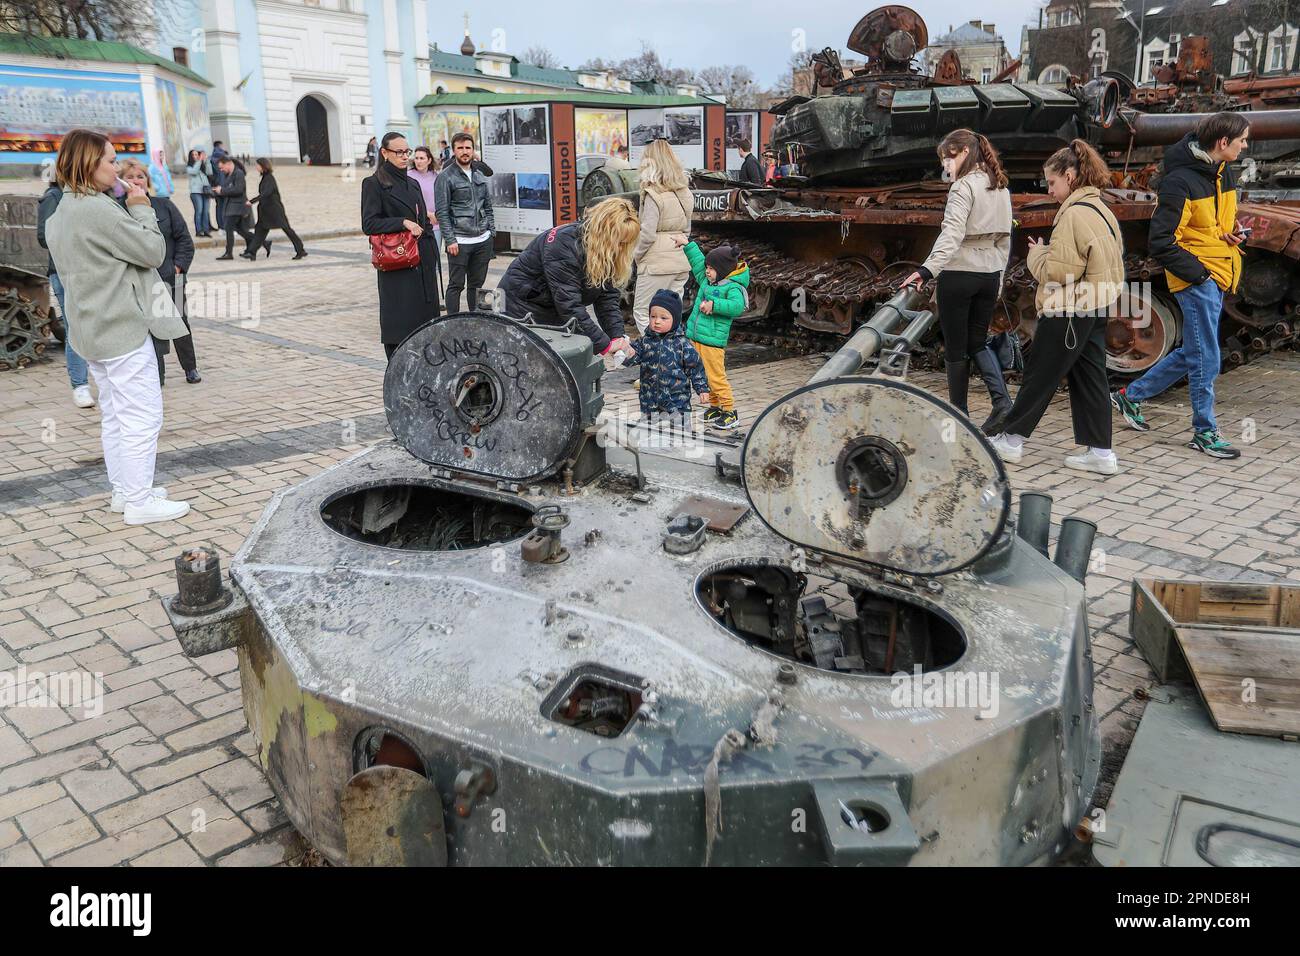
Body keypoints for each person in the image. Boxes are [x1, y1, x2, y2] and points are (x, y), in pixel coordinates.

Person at [45, 128, 191, 525]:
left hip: (91, 331)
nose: (115, 167)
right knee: (142, 415)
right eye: (110, 160)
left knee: (114, 414)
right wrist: (141, 206)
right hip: (121, 328)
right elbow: (152, 251)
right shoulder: (98, 209)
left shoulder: (61, 213)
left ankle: (125, 491)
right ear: (90, 164)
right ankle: (140, 501)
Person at [1111, 112, 1250, 460]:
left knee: (1194, 352)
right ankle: (1205, 431)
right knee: (1207, 356)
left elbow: (1211, 227)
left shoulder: (1223, 173)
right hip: (1197, 276)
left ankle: (1130, 395)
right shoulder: (1180, 182)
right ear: (1222, 143)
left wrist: (1227, 235)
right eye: (1242, 140)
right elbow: (1162, 241)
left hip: (1218, 269)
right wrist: (1199, 274)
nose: (1245, 145)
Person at [987, 140, 1124, 474]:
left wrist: (1037, 253)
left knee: (1040, 375)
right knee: (1091, 378)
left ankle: (1011, 441)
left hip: (1069, 309)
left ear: (1070, 176)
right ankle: (1101, 453)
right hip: (1097, 304)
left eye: (1052, 182)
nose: (1049, 190)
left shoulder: (1073, 214)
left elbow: (1059, 272)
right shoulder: (1100, 208)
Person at [900, 128, 1013, 434]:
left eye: (948, 157)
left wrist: (927, 270)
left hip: (960, 272)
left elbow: (951, 236)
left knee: (955, 348)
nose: (946, 165)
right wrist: (998, 279)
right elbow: (1005, 241)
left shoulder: (963, 188)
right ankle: (1002, 403)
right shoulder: (1000, 187)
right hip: (989, 274)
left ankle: (958, 417)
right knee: (978, 342)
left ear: (964, 152)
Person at [497, 197, 638, 356]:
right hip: (522, 306)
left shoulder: (605, 250)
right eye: (618, 241)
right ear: (604, 232)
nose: (620, 247)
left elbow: (607, 297)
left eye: (625, 243)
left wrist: (618, 337)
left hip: (550, 308)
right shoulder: (563, 244)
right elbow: (569, 305)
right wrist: (604, 345)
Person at [117, 159, 202, 386]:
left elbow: (184, 239)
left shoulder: (164, 205)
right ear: (121, 182)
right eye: (130, 177)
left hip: (170, 277)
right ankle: (158, 374)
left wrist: (178, 267)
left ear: (148, 180)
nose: (136, 181)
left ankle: (190, 367)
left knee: (180, 323)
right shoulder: (117, 210)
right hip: (140, 282)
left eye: (140, 177)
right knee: (151, 327)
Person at [361, 131, 442, 360]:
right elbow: (369, 223)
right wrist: (403, 222)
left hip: (422, 258)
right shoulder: (374, 183)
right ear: (385, 153)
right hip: (397, 261)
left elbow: (421, 219)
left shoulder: (413, 182)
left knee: (426, 324)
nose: (405, 156)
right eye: (399, 152)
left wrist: (425, 221)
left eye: (407, 151)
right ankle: (398, 369)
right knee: (400, 322)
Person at [679, 238, 749, 429]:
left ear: (723, 270)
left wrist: (714, 305)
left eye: (711, 268)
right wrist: (687, 244)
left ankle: (730, 411)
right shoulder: (709, 281)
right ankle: (715, 406)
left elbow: (737, 306)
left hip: (712, 342)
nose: (707, 271)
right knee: (704, 374)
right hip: (698, 337)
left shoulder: (733, 287)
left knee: (715, 376)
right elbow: (697, 263)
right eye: (707, 267)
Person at [37, 180, 94, 408]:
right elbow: (44, 236)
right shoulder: (54, 196)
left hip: (91, 268)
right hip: (64, 271)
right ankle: (80, 385)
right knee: (75, 327)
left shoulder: (90, 193)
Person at [621, 289, 711, 431]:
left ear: (675, 320)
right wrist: (623, 352)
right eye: (653, 316)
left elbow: (696, 368)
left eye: (663, 318)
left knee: (680, 429)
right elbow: (632, 358)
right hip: (649, 399)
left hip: (676, 399)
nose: (656, 321)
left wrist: (702, 388)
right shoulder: (645, 341)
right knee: (648, 431)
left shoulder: (683, 344)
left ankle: (681, 443)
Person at [632, 138, 693, 335]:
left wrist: (636, 256)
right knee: (671, 314)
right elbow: (687, 229)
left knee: (642, 312)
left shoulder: (652, 193)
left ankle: (655, 354)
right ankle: (673, 353)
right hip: (680, 260)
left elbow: (647, 234)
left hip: (656, 262)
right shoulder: (685, 192)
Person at [435, 132, 495, 313]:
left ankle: (476, 320)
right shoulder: (445, 176)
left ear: (473, 150)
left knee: (477, 285)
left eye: (468, 147)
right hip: (459, 241)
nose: (464, 151)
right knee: (456, 285)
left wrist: (491, 232)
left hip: (483, 240)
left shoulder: (479, 173)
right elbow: (442, 212)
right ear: (453, 151)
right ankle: (453, 323)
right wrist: (450, 240)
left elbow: (488, 206)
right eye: (460, 148)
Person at [243, 158, 307, 260]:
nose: (256, 167)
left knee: (287, 229)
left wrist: (252, 201)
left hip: (274, 210)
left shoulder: (269, 178)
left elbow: (266, 193)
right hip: (265, 210)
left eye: (257, 165)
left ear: (263, 166)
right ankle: (251, 252)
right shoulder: (265, 177)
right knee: (260, 230)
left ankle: (300, 250)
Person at [211, 156, 255, 260]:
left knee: (229, 229)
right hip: (231, 206)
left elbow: (239, 190)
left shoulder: (238, 173)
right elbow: (228, 188)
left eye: (222, 168)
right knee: (241, 230)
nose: (221, 170)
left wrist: (222, 191)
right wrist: (218, 191)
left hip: (237, 206)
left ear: (228, 163)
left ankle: (229, 253)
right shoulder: (228, 174)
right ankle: (263, 242)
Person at [408, 146, 441, 250]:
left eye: (422, 158)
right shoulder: (408, 176)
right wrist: (427, 213)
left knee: (435, 259)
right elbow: (408, 201)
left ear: (429, 160)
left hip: (435, 224)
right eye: (416, 158)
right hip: (416, 224)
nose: (418, 161)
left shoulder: (436, 176)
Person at [185, 149, 212, 237]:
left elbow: (209, 172)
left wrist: (206, 161)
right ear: (191, 157)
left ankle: (206, 230)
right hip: (196, 192)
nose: (196, 156)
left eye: (197, 155)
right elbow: (194, 171)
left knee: (206, 211)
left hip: (205, 191)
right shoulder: (189, 167)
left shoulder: (201, 165)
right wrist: (200, 161)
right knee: (199, 211)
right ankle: (199, 231)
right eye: (194, 155)